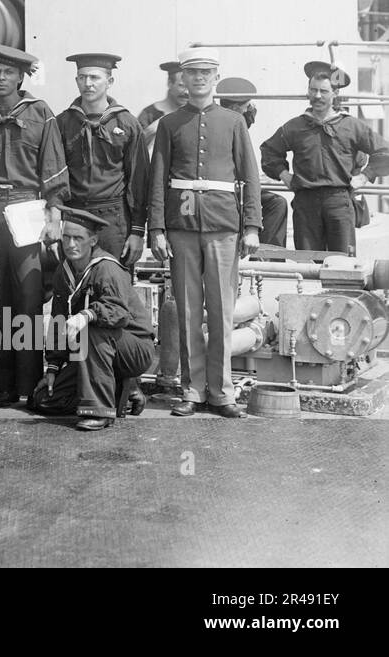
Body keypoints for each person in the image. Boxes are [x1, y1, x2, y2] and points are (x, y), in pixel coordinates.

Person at [148, 46, 260, 419]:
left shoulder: (233, 121)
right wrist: (158, 228)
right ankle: (193, 390)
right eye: (191, 73)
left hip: (222, 226)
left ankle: (222, 392)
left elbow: (250, 177)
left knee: (223, 312)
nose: (198, 79)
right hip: (181, 228)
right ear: (183, 78)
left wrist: (252, 227)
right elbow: (158, 179)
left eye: (205, 73)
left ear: (215, 77)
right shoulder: (169, 123)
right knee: (188, 311)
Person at [0, 43, 69, 406]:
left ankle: (29, 383)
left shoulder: (41, 113)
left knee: (27, 296)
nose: (1, 78)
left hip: (27, 210)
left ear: (21, 77)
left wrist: (54, 213)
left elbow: (52, 167)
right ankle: (1, 383)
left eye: (8, 72)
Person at [30, 208, 155, 431]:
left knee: (90, 329)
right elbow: (59, 320)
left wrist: (88, 314)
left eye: (78, 238)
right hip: (94, 349)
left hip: (134, 347)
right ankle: (119, 392)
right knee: (43, 400)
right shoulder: (64, 270)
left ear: (93, 240)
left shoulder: (106, 267)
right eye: (66, 237)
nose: (70, 244)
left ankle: (100, 411)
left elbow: (118, 313)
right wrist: (53, 367)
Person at [261, 61, 389, 256]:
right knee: (307, 262)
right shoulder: (294, 127)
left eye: (324, 91)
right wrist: (285, 175)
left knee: (342, 261)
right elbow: (269, 151)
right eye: (313, 90)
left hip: (339, 202)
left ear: (335, 93)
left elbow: (384, 152)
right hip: (305, 203)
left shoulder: (352, 126)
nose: (317, 96)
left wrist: (364, 177)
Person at [56, 53, 148, 264]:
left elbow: (139, 181)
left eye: (95, 78)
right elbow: (54, 174)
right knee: (75, 283)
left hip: (114, 218)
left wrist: (137, 231)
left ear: (110, 81)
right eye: (82, 77)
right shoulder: (62, 123)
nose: (87, 84)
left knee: (114, 282)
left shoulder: (127, 123)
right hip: (74, 216)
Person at [217, 77, 289, 248]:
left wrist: (247, 115)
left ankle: (269, 257)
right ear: (235, 108)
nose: (250, 108)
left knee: (277, 203)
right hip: (224, 190)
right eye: (246, 106)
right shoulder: (218, 124)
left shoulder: (237, 120)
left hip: (237, 187)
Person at [138, 60, 189, 152]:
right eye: (181, 86)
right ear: (169, 83)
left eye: (189, 87)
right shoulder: (149, 114)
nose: (186, 92)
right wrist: (152, 131)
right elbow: (135, 148)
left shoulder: (194, 115)